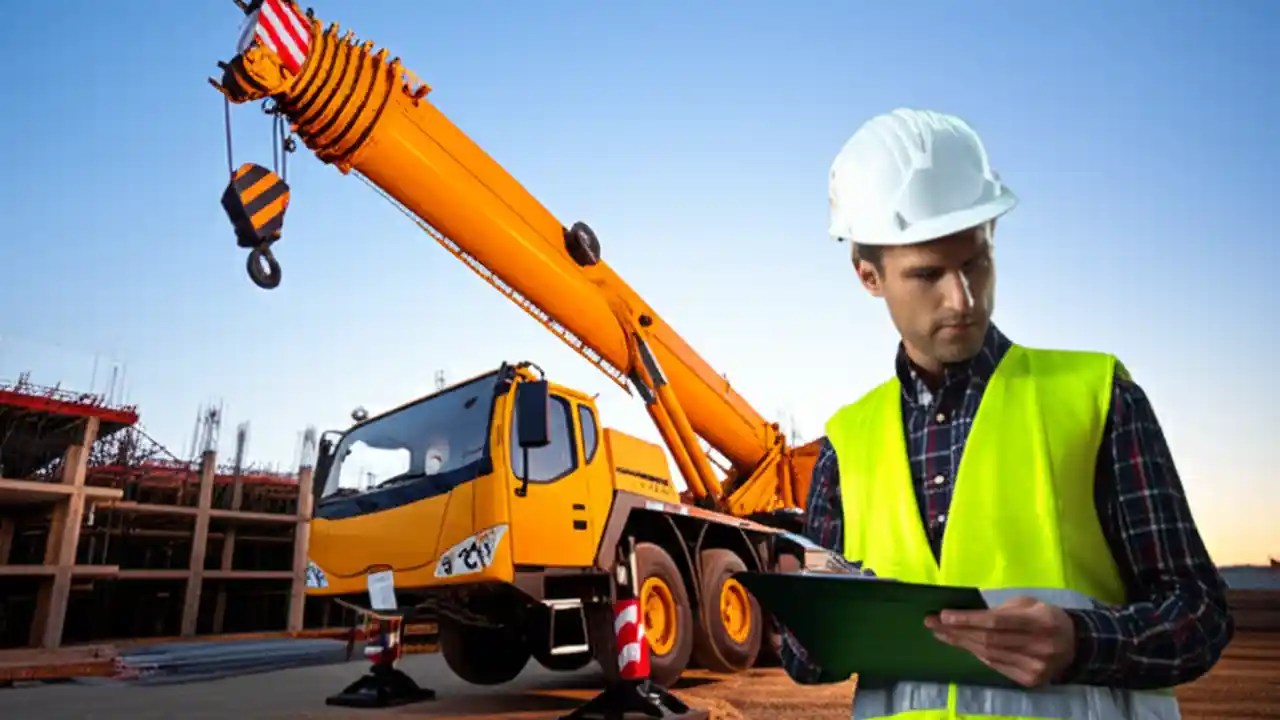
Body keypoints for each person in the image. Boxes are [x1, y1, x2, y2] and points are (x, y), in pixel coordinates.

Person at [779, 108, 1233, 719]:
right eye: (928, 274)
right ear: (869, 276)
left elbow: (1200, 612)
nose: (962, 298)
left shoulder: (1097, 398)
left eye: (976, 262)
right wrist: (798, 605)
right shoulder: (847, 444)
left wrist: (1083, 642)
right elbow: (811, 664)